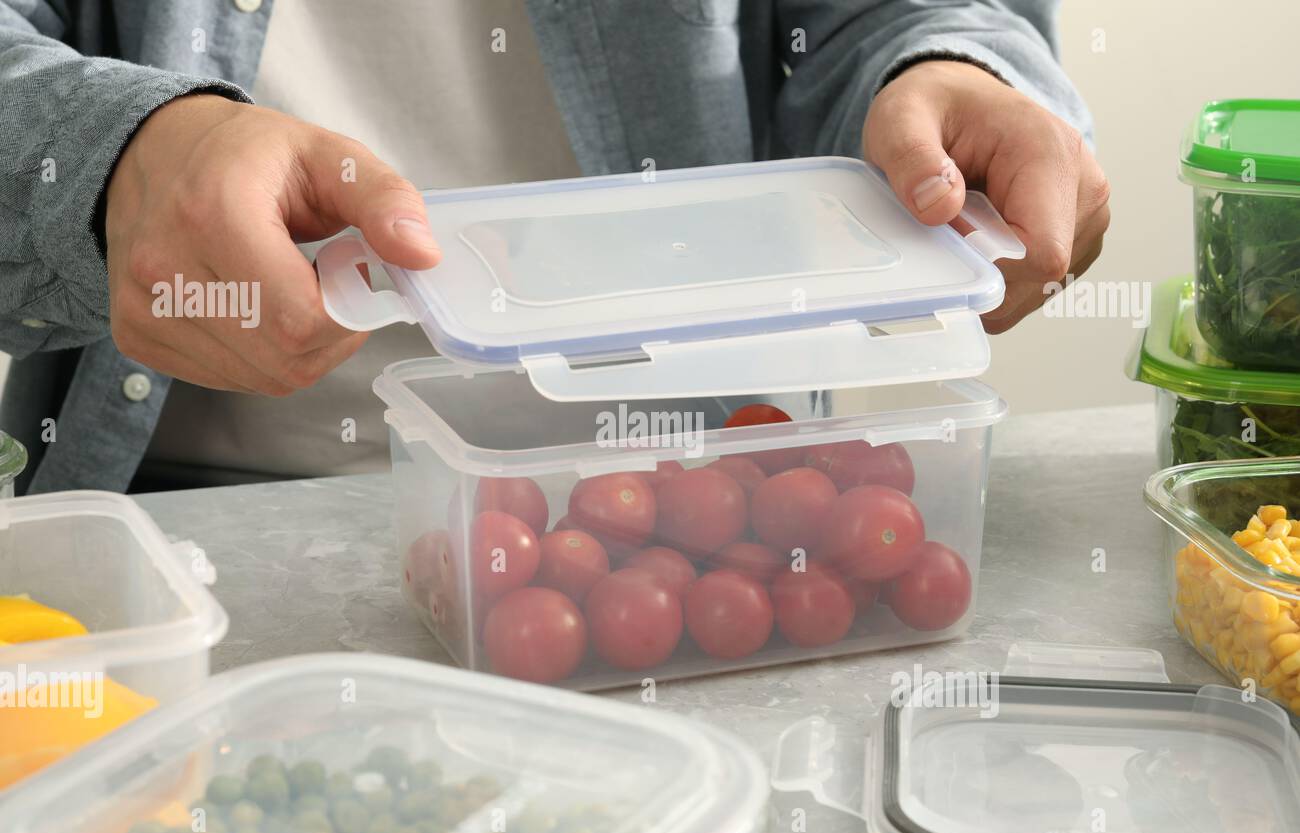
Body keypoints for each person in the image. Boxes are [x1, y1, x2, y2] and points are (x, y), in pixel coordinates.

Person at [0, 0, 1109, 494]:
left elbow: (878, 13)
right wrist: (114, 158)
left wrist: (949, 71)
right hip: (190, 509)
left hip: (716, 497)